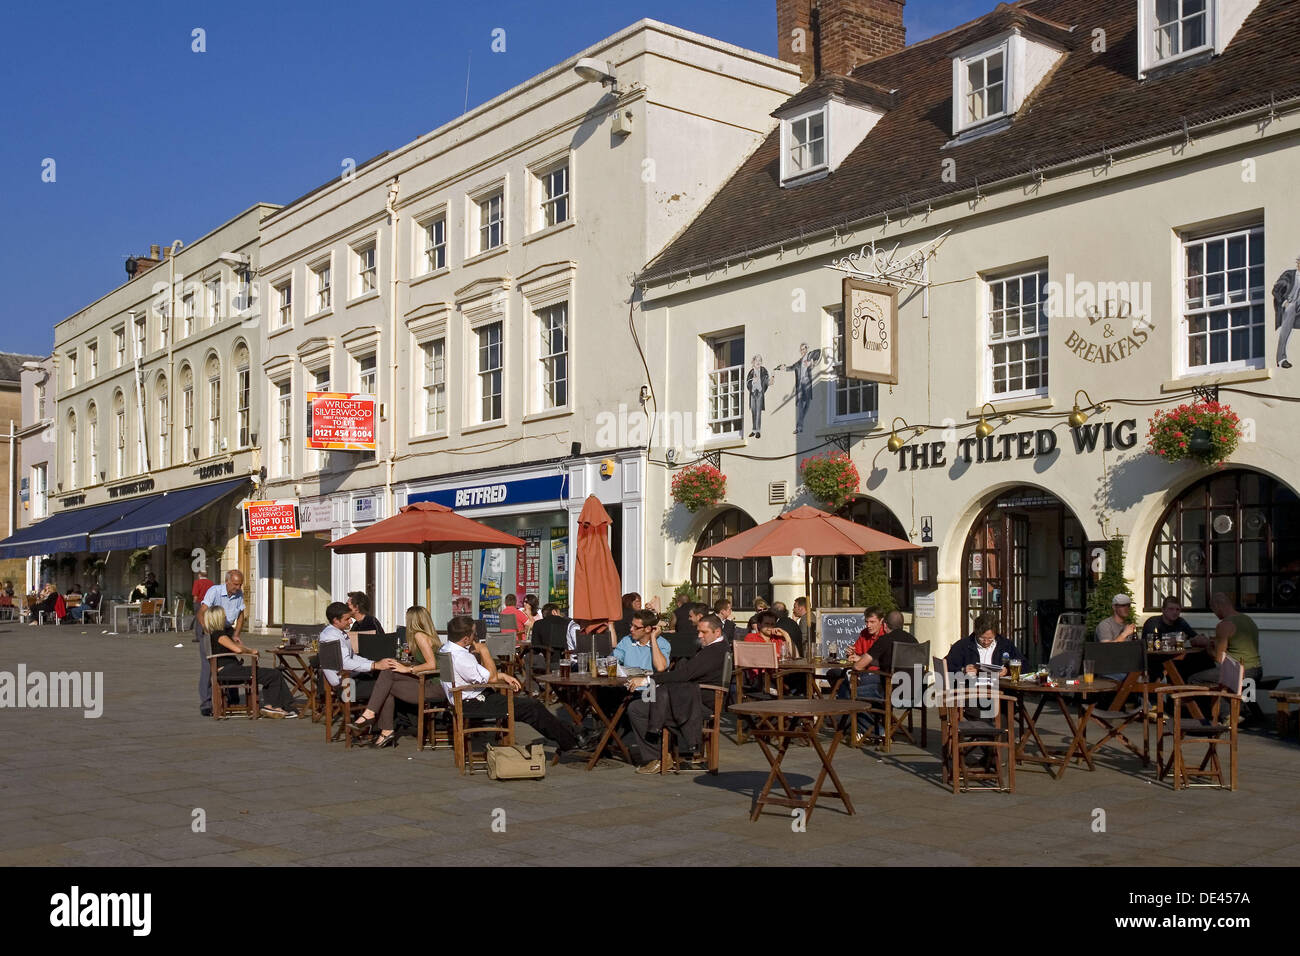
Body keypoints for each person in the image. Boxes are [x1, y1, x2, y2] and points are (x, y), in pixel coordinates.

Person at [439, 614, 592, 754]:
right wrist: (484, 651)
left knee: (531, 706)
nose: (476, 637)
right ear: (466, 639)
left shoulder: (447, 649)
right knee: (532, 707)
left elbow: (475, 676)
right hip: (472, 702)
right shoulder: (461, 656)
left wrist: (502, 675)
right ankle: (570, 741)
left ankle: (575, 732)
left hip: (467, 697)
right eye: (474, 634)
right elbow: (491, 678)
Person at [626, 613, 730, 773]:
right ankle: (663, 752)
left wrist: (648, 680)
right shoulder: (718, 647)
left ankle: (659, 758)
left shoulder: (714, 651)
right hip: (694, 697)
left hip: (697, 703)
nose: (699, 635)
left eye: (704, 632)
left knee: (637, 709)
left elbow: (684, 674)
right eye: (698, 631)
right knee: (648, 702)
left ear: (717, 632)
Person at [349, 606, 449, 748]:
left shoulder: (419, 636)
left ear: (412, 620)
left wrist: (408, 668)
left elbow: (432, 665)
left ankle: (375, 720)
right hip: (431, 682)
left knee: (387, 681)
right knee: (387, 679)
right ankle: (383, 728)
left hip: (435, 687)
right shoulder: (429, 636)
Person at [204, 606, 297, 717]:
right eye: (223, 615)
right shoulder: (219, 634)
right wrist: (251, 651)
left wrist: (245, 648)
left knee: (271, 674)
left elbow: (236, 646)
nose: (225, 616)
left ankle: (282, 706)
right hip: (228, 671)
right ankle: (273, 706)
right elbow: (237, 650)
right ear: (218, 618)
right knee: (274, 674)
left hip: (228, 670)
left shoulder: (216, 634)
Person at [1181, 593, 1263, 688]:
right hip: (1257, 671)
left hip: (1241, 672)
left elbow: (1219, 659)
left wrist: (1206, 644)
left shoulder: (1224, 625)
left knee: (1194, 679)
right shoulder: (1248, 619)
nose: (1215, 614)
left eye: (1213, 610)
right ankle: (1240, 702)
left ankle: (1217, 702)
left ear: (1217, 607)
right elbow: (1236, 646)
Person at [197, 571, 247, 716]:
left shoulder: (239, 594)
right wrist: (208, 631)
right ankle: (206, 704)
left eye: (240, 584)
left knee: (231, 663)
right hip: (211, 628)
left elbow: (241, 614)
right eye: (235, 584)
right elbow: (201, 612)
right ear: (228, 582)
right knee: (209, 666)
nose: (238, 588)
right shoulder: (214, 591)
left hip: (227, 630)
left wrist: (236, 634)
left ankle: (232, 697)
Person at [946, 614, 1019, 676]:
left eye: (990, 639)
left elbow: (1024, 666)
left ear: (995, 634)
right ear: (976, 633)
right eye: (982, 638)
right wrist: (962, 670)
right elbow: (946, 668)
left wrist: (1008, 671)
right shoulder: (962, 646)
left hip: (1000, 687)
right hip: (971, 688)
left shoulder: (1005, 645)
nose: (986, 642)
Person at [1273, 251, 1299, 369]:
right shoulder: (1289, 275)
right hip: (1289, 304)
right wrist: (1282, 300)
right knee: (1290, 311)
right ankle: (1281, 358)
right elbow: (1276, 289)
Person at [746, 354, 770, 438]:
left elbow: (767, 380)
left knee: (758, 412)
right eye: (756, 360)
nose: (758, 362)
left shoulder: (763, 370)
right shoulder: (751, 372)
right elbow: (747, 383)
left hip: (759, 393)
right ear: (753, 362)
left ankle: (758, 431)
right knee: (753, 411)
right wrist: (753, 381)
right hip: (752, 393)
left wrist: (769, 382)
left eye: (760, 360)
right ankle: (753, 429)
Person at [190, 570, 214, 643]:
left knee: (199, 620)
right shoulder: (211, 583)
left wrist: (194, 603)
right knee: (208, 619)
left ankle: (199, 637)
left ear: (199, 575)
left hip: (199, 603)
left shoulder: (197, 582)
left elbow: (195, 595)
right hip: (209, 603)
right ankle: (209, 635)